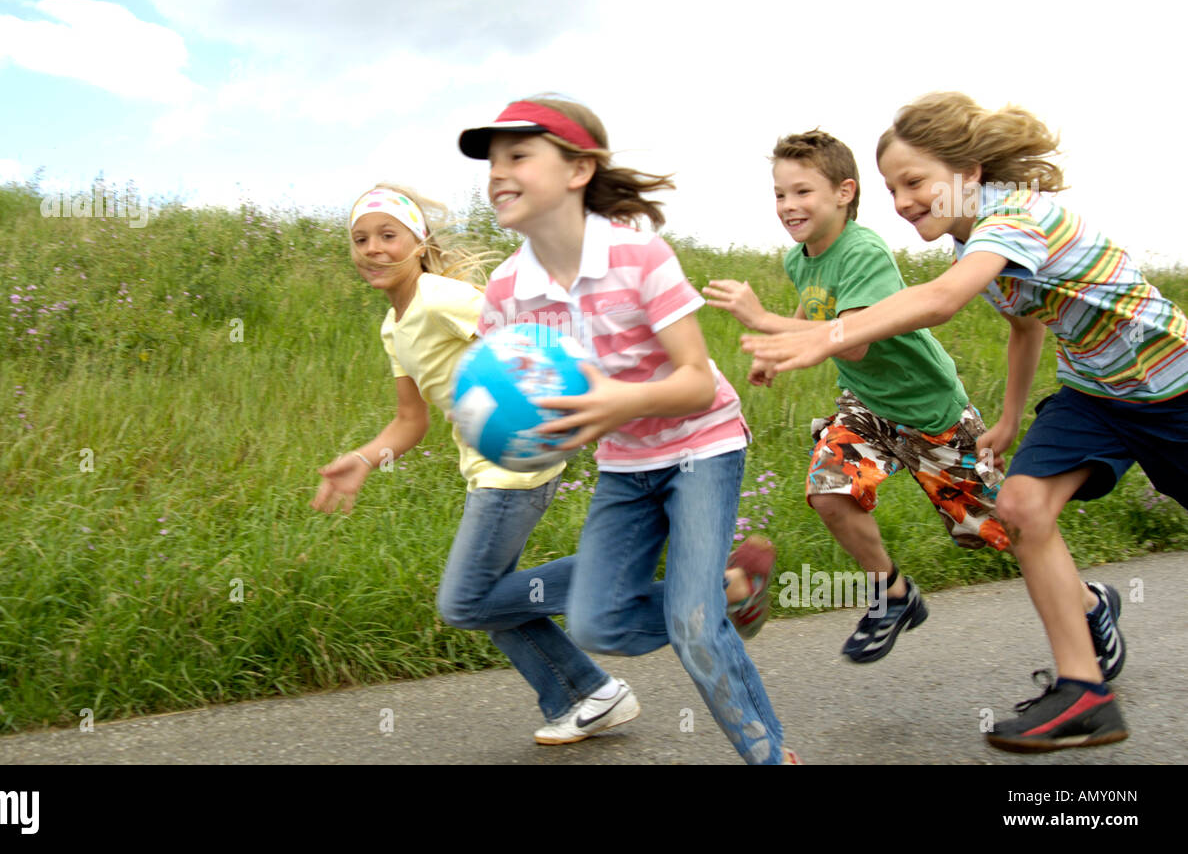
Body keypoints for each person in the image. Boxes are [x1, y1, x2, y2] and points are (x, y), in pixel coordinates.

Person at [748, 92, 1188, 752]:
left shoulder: (1014, 218)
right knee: (1021, 505)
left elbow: (941, 301)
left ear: (970, 173)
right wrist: (1011, 416)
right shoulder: (973, 249)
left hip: (1172, 387)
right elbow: (1024, 325)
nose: (902, 201)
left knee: (1011, 513)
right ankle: (1085, 694)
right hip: (1096, 394)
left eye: (916, 181)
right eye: (894, 188)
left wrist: (828, 334)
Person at [459, 96, 796, 764]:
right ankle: (728, 591)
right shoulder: (506, 290)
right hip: (625, 463)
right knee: (595, 620)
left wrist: (616, 401)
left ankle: (767, 752)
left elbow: (698, 381)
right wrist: (488, 420)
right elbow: (500, 387)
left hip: (702, 443)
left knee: (693, 627)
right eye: (493, 161)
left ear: (579, 168)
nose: (499, 172)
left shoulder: (638, 256)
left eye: (519, 155)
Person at [311, 184, 639, 746]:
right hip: (488, 468)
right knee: (491, 599)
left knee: (465, 600)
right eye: (361, 239)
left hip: (515, 466)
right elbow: (409, 423)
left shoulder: (441, 297)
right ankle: (586, 693)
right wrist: (364, 460)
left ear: (419, 242)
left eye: (389, 235)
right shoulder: (394, 327)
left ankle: (617, 570)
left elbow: (533, 339)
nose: (373, 248)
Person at [705, 129, 1011, 664]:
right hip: (866, 407)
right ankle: (892, 593)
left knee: (1002, 532)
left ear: (844, 192)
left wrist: (759, 319)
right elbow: (814, 314)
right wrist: (775, 347)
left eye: (802, 192)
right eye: (780, 194)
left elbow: (853, 343)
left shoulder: (863, 250)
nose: (788, 206)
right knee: (829, 489)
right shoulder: (800, 259)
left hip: (930, 412)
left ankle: (1084, 604)